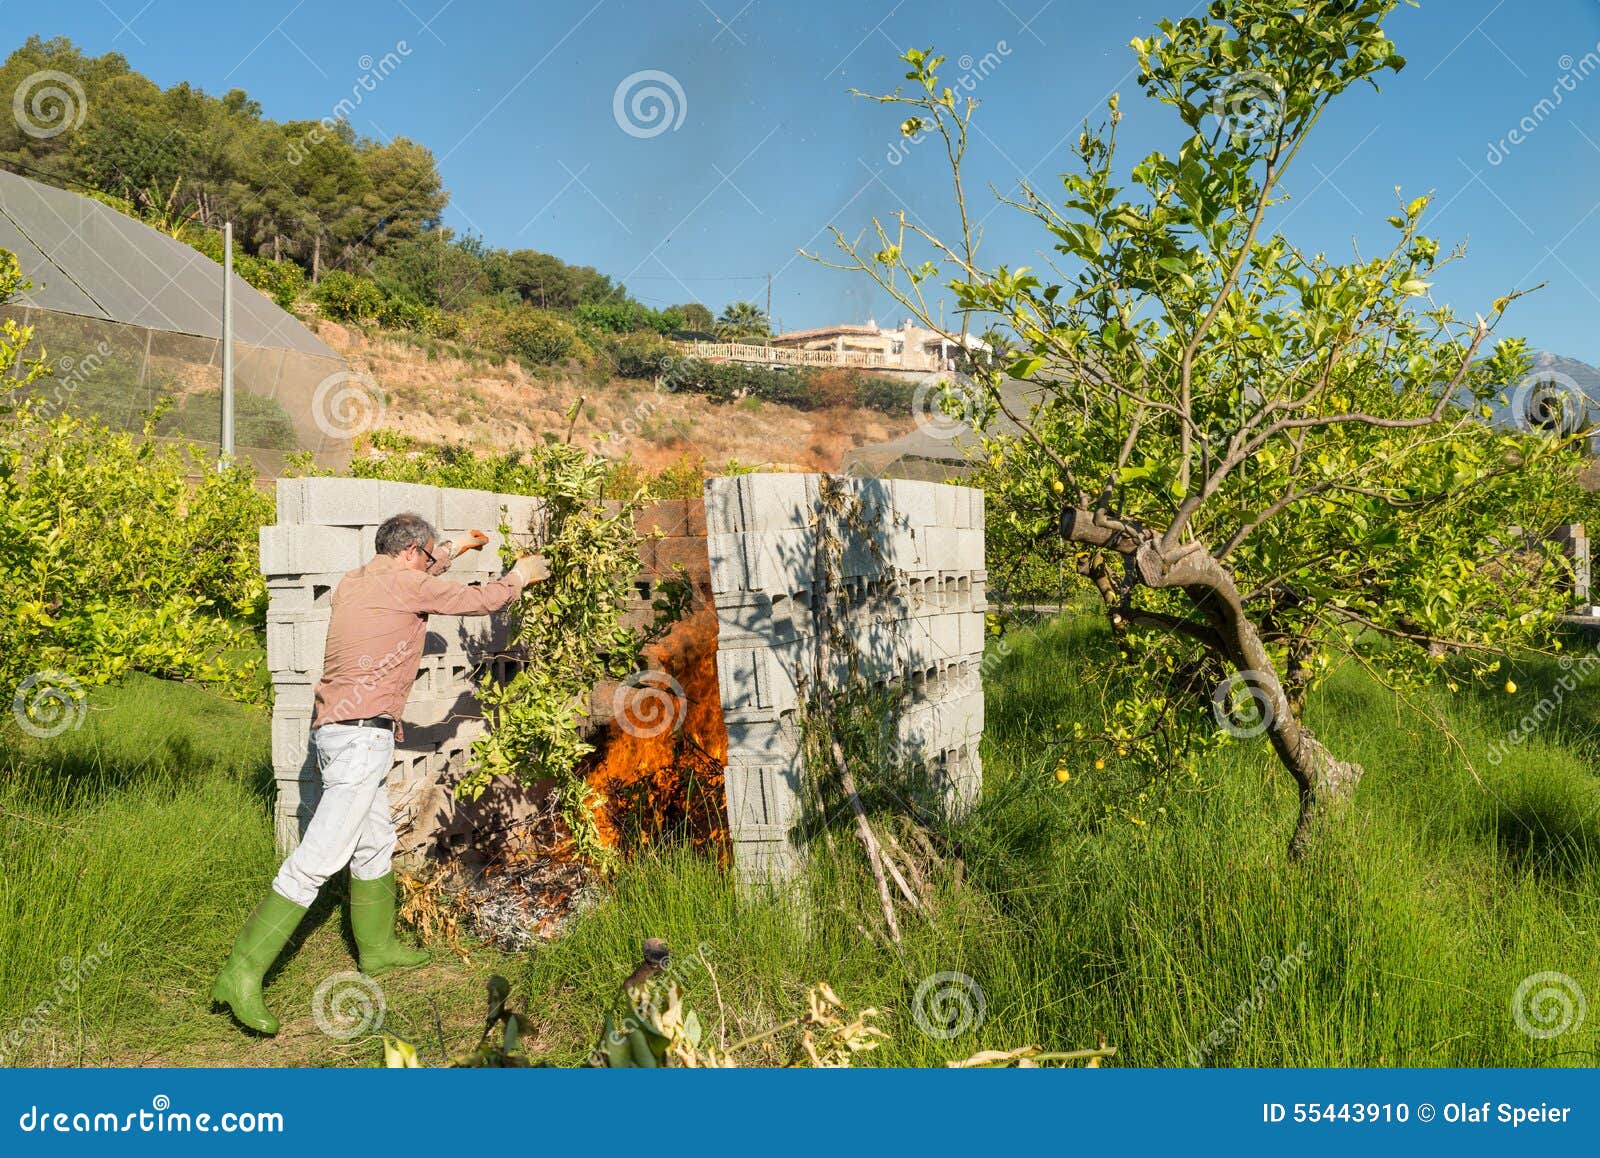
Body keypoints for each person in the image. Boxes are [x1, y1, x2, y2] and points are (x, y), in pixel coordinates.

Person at [211, 511, 548, 1035]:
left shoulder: (357, 580)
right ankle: (240, 974)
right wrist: (521, 575)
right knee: (318, 859)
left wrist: (457, 546)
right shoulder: (406, 584)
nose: (431, 560)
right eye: (428, 552)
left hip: (340, 733)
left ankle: (378, 950)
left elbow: (419, 573)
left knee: (374, 843)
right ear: (412, 551)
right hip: (360, 739)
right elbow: (482, 600)